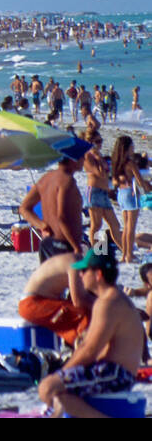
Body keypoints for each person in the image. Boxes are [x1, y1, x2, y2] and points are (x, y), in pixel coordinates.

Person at [39, 249, 145, 417]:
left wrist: (62, 373)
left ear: (98, 274)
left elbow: (90, 350)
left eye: (83, 271)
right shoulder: (111, 300)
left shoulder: (109, 303)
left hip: (116, 374)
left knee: (48, 388)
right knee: (59, 395)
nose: (80, 275)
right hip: (115, 371)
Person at [17, 251, 93, 346]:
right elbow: (78, 300)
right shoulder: (76, 264)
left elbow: (76, 298)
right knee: (84, 314)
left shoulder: (72, 260)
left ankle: (77, 344)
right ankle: (84, 345)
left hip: (31, 303)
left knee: (81, 313)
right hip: (32, 303)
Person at [19, 157, 85, 254]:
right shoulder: (67, 181)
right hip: (64, 243)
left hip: (47, 243)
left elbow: (24, 208)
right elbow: (62, 217)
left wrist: (42, 225)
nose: (84, 160)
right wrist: (76, 246)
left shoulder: (46, 178)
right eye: (82, 157)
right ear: (73, 159)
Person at [111, 134, 150, 264]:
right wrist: (149, 188)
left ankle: (124, 255)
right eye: (132, 145)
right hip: (131, 194)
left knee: (126, 226)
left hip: (121, 194)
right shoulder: (130, 163)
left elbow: (114, 181)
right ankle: (129, 255)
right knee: (131, 228)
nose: (134, 147)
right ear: (127, 148)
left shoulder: (116, 162)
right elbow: (140, 181)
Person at [82, 132, 121, 251]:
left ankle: (125, 251)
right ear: (91, 142)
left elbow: (106, 173)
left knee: (115, 224)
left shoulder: (98, 155)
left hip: (103, 192)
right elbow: (99, 173)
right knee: (96, 225)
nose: (100, 144)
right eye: (97, 141)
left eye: (101, 141)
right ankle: (97, 251)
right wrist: (98, 158)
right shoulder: (88, 156)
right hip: (94, 191)